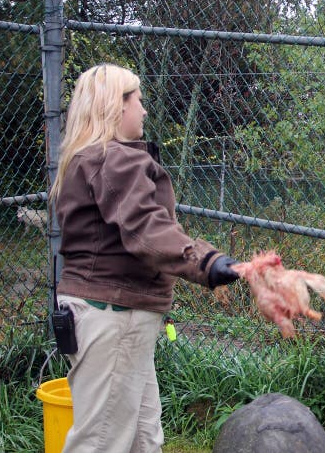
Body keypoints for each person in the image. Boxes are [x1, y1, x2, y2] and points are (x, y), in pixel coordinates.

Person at [51, 63, 245, 453]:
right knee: (102, 442)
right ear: (114, 107)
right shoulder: (113, 159)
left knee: (143, 436)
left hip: (114, 315)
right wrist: (206, 262)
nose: (143, 109)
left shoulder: (92, 159)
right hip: (113, 316)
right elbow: (146, 229)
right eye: (136, 99)